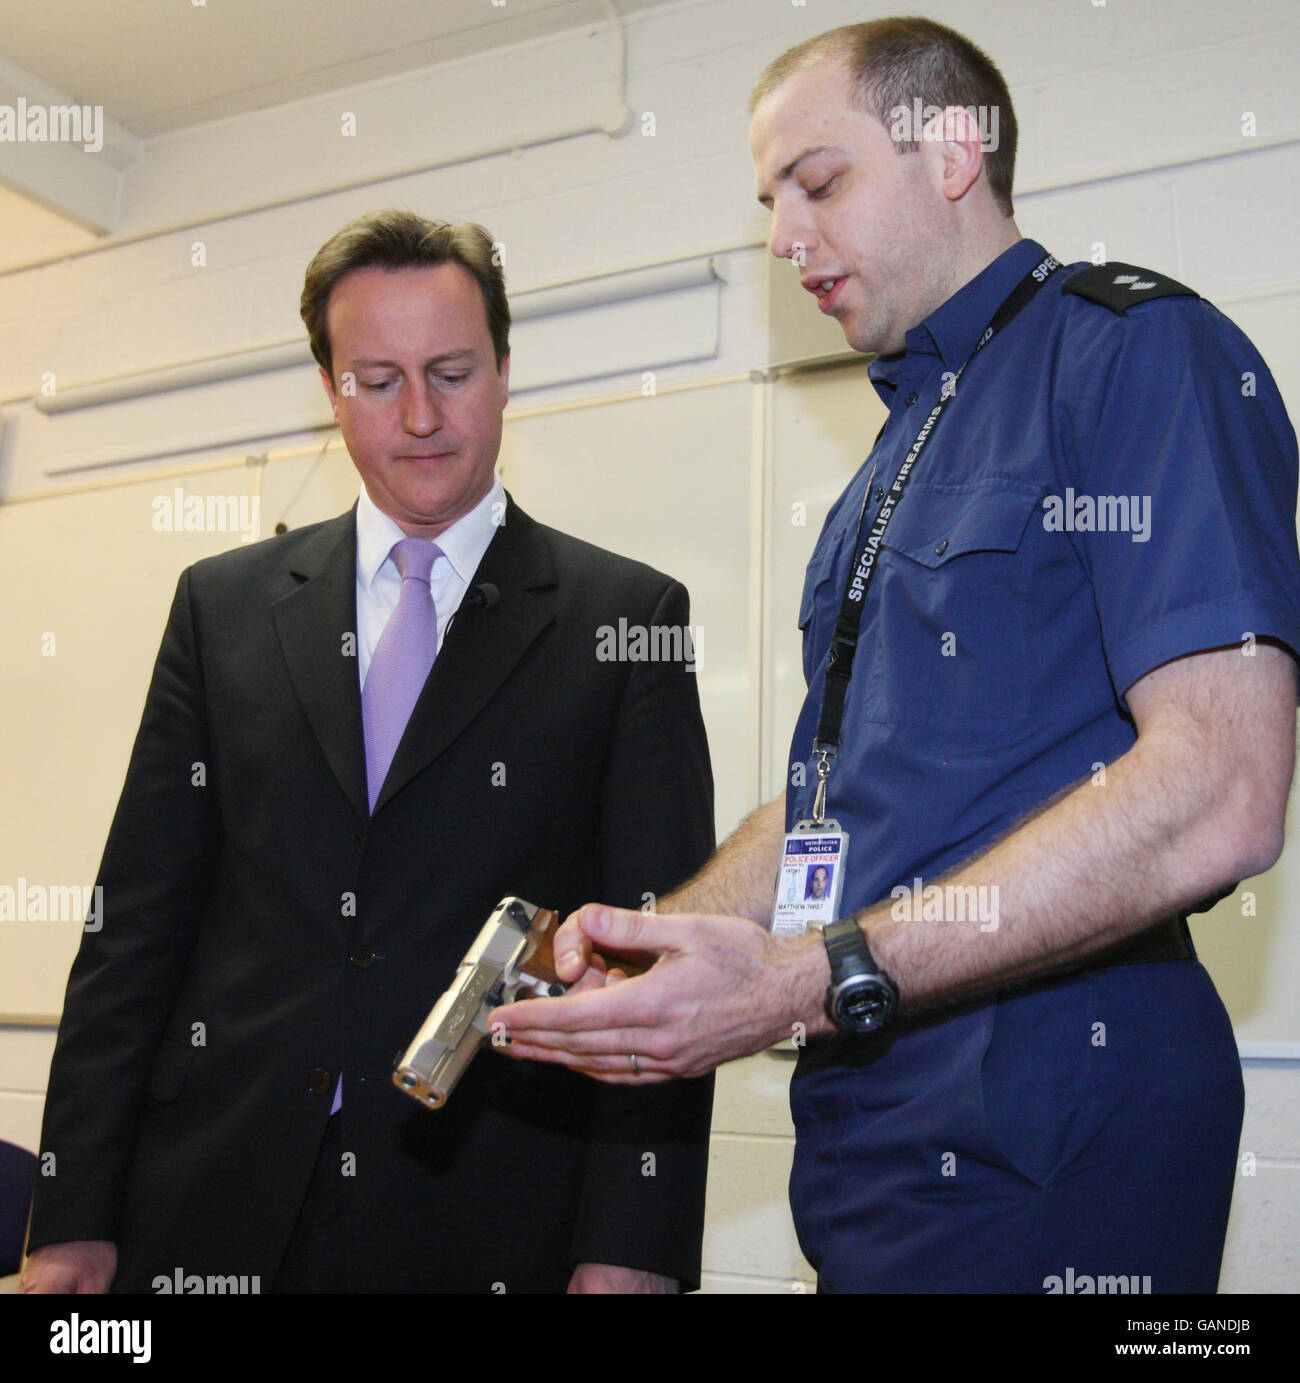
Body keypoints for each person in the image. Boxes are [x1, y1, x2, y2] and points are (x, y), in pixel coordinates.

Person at [492, 17, 1300, 1294]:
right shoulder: (895, 450)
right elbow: (843, 801)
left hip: (1050, 1108)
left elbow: (1223, 788)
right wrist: (644, 946)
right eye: (770, 202)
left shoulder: (1131, 349)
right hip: (874, 1124)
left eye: (819, 183)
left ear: (954, 152)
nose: (783, 240)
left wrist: (811, 979)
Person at [21, 210, 715, 1295]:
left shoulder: (623, 620)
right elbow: (136, 933)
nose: (423, 416)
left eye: (451, 370)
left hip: (488, 1215)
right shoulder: (223, 609)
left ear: (502, 369)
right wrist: (70, 1217)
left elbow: (657, 959)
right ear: (329, 387)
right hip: (211, 1202)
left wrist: (631, 1252)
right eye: (378, 380)